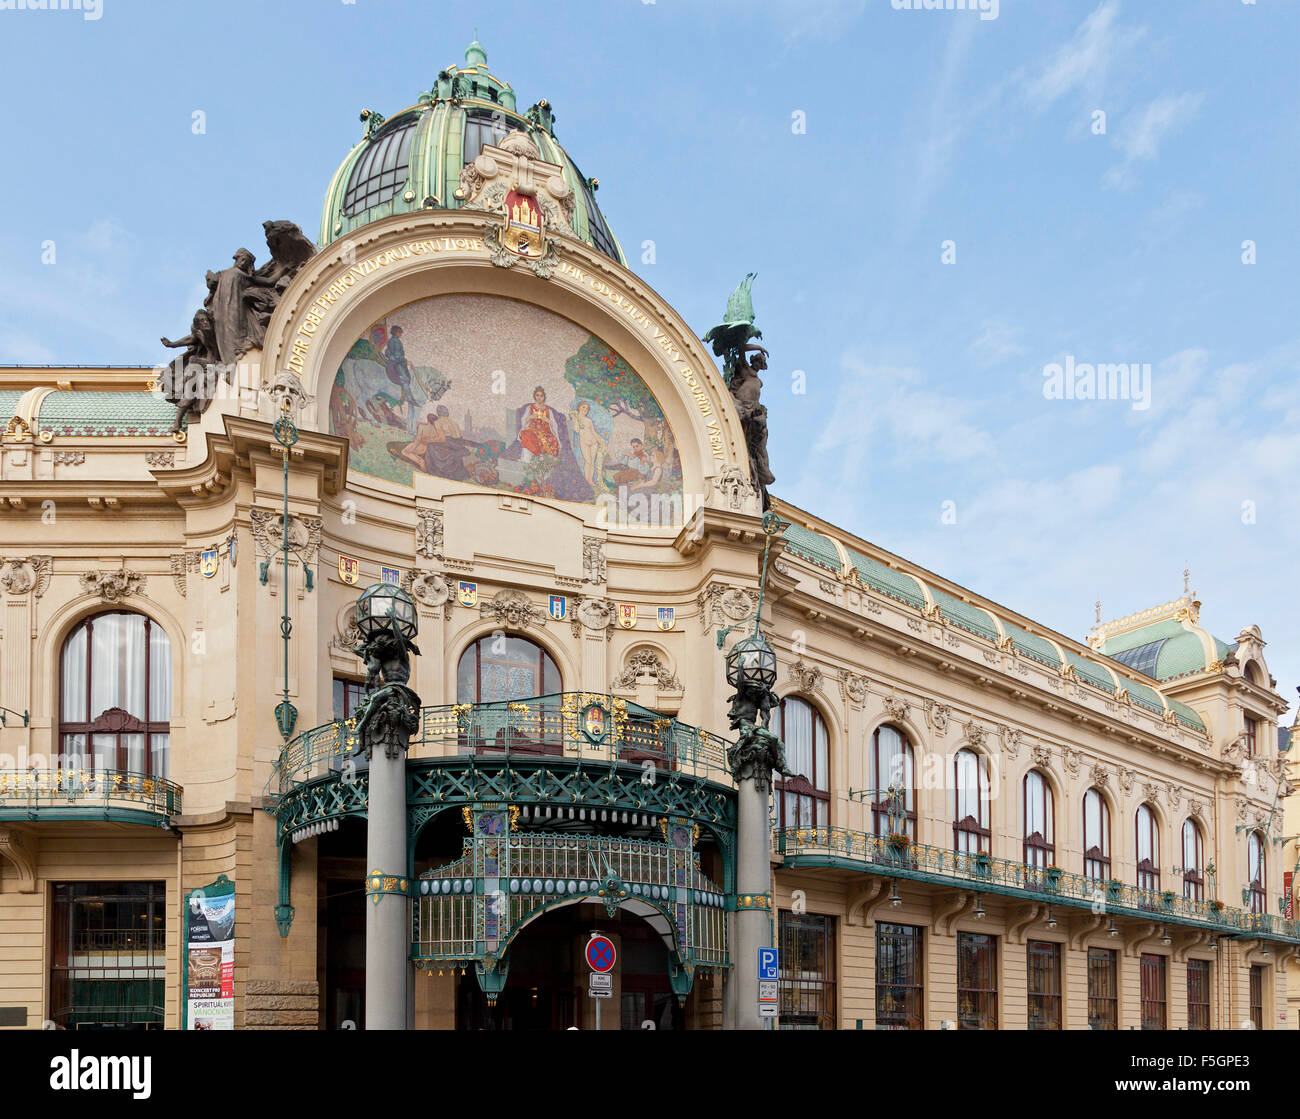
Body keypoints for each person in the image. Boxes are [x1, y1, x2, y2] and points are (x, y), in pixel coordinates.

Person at [568, 400, 607, 484]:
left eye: (587, 408)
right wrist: (575, 420)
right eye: (583, 407)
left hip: (594, 442)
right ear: (579, 407)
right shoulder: (576, 418)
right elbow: (577, 430)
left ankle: (590, 480)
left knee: (592, 462)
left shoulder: (588, 420)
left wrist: (600, 440)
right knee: (588, 461)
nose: (585, 409)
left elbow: (593, 432)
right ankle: (586, 480)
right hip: (584, 442)